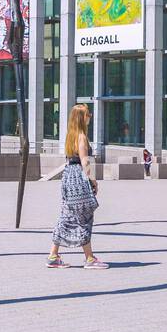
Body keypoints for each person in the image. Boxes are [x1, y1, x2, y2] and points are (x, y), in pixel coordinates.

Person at [48, 104, 108, 269]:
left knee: (67, 216)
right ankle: (89, 259)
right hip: (78, 178)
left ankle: (53, 255)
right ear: (82, 118)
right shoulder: (81, 137)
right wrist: (93, 180)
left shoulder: (70, 136)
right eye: (88, 115)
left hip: (68, 176)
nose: (90, 118)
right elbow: (85, 161)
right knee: (84, 217)